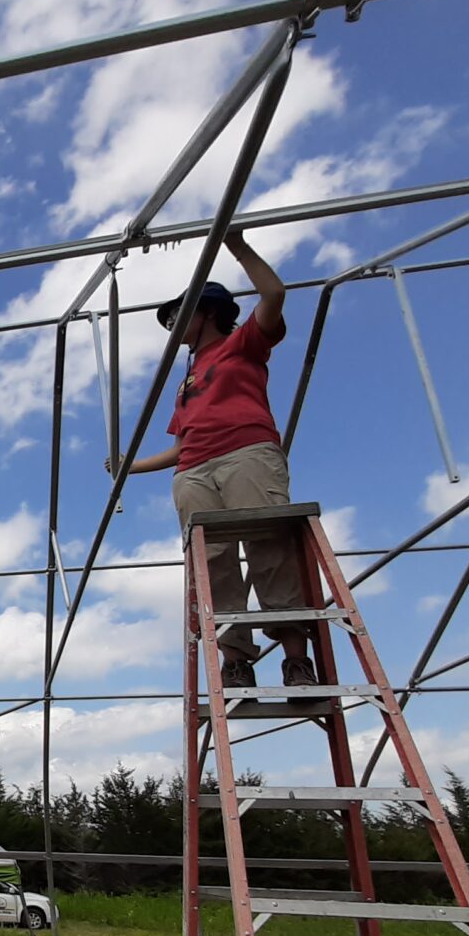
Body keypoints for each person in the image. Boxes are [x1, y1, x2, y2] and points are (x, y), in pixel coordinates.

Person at [123, 231, 315, 691]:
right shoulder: (186, 380)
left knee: (268, 546)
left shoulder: (241, 343)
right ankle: (237, 660)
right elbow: (181, 445)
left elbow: (273, 293)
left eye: (178, 314)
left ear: (207, 312)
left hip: (246, 453)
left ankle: (295, 660)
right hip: (194, 470)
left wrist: (235, 244)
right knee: (214, 563)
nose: (171, 324)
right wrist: (129, 467)